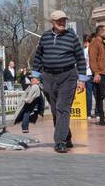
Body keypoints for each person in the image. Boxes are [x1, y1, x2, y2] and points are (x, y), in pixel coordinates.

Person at [30, 10, 87, 154]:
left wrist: (82, 79)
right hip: (48, 76)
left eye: (64, 20)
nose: (62, 23)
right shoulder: (45, 37)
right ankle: (66, 136)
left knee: (63, 108)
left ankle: (60, 142)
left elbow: (80, 58)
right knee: (56, 110)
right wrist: (35, 76)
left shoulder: (71, 37)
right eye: (59, 21)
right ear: (52, 22)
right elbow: (38, 57)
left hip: (68, 76)